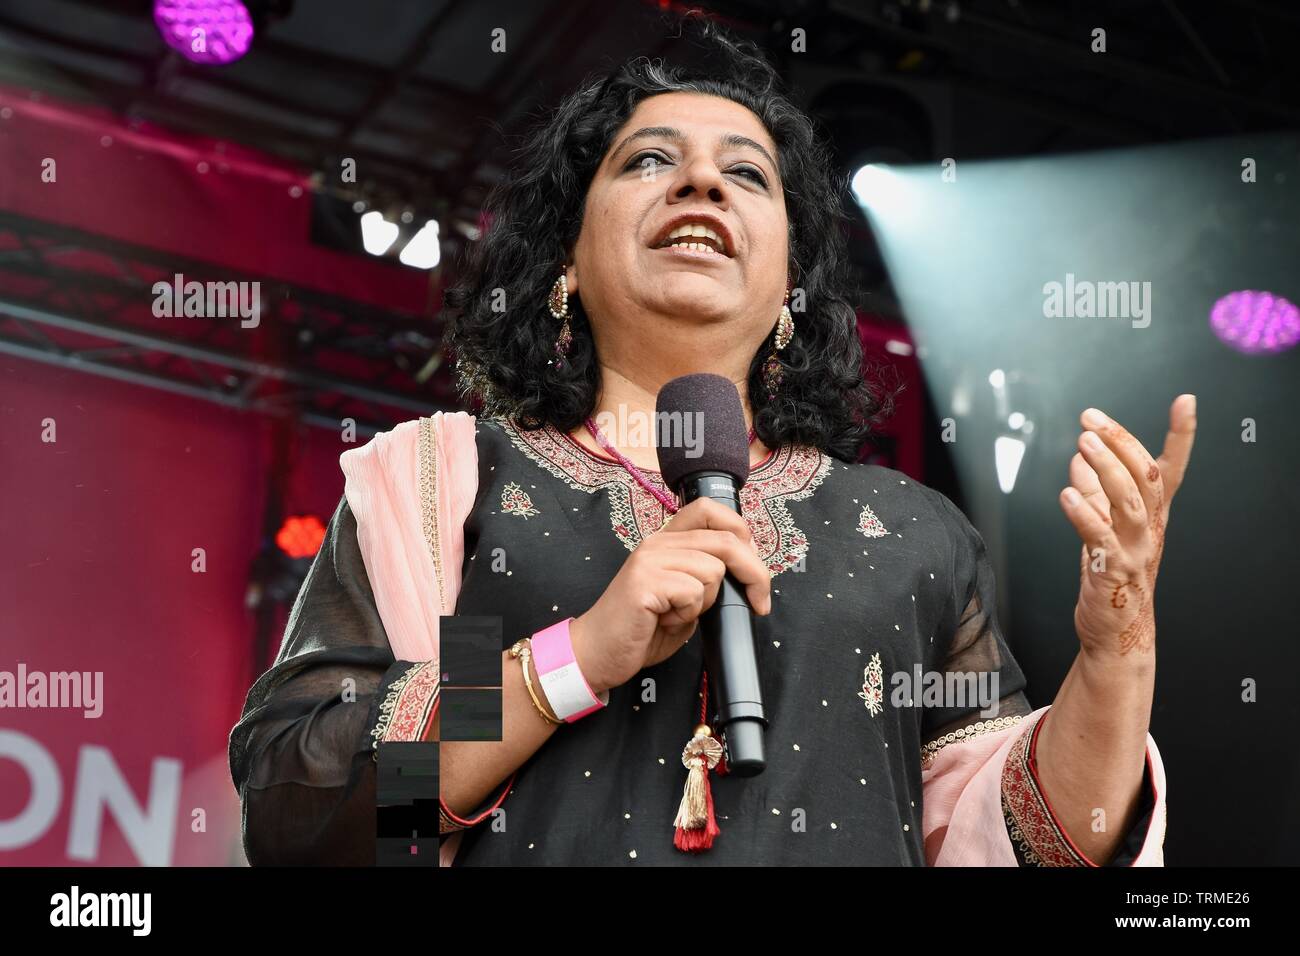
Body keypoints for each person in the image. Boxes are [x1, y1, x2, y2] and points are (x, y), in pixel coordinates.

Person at [228, 20, 1195, 867]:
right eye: (648, 160)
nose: (700, 179)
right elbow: (308, 817)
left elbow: (1023, 843)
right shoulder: (465, 497)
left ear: (788, 284)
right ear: (566, 256)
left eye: (746, 173)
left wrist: (1118, 655)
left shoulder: (906, 536)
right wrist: (571, 659)